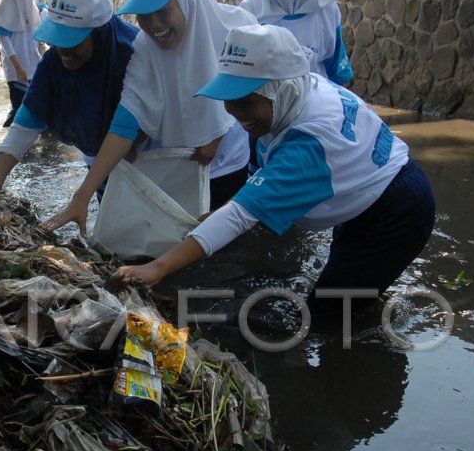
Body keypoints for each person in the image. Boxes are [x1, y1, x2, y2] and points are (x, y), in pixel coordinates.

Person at [113, 25, 435, 325]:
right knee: (348, 286)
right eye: (229, 100)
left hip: (395, 212)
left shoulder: (308, 145)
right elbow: (249, 196)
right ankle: (370, 300)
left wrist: (158, 267)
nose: (237, 114)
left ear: (279, 89)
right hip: (369, 188)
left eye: (247, 102)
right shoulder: (299, 90)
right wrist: (215, 220)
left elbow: (241, 216)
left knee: (324, 316)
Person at [41, 0, 256, 235]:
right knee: (181, 241)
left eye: (162, 10)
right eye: (143, 14)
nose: (154, 25)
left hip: (226, 162)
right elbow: (126, 121)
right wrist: (83, 195)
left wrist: (219, 134)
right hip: (180, 167)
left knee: (225, 246)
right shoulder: (145, 48)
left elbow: (259, 97)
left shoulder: (239, 30)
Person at [0, 0, 139, 213]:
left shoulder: (133, 52)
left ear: (98, 32)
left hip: (144, 157)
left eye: (72, 42)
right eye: (57, 41)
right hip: (96, 155)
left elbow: (137, 121)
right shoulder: (54, 62)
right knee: (113, 216)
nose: (63, 51)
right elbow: (25, 124)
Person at [0, 0, 42, 127]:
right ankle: (9, 142)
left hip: (31, 60)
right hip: (16, 65)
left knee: (35, 104)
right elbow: (4, 39)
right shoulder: (4, 4)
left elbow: (35, 34)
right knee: (19, 106)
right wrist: (18, 66)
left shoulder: (30, 3)